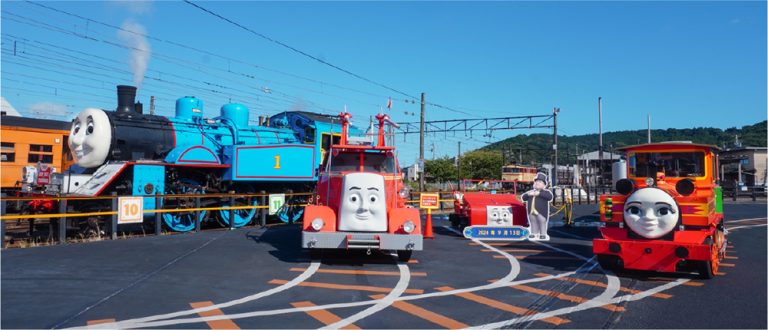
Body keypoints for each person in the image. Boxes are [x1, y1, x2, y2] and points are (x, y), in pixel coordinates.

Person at [521, 173, 553, 240]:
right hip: (531, 211)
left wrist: (539, 194)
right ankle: (533, 233)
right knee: (533, 222)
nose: (537, 183)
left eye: (540, 182)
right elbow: (524, 198)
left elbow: (550, 197)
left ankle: (543, 234)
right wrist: (528, 195)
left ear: (544, 185)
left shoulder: (545, 192)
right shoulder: (531, 192)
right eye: (536, 181)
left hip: (541, 212)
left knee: (542, 222)